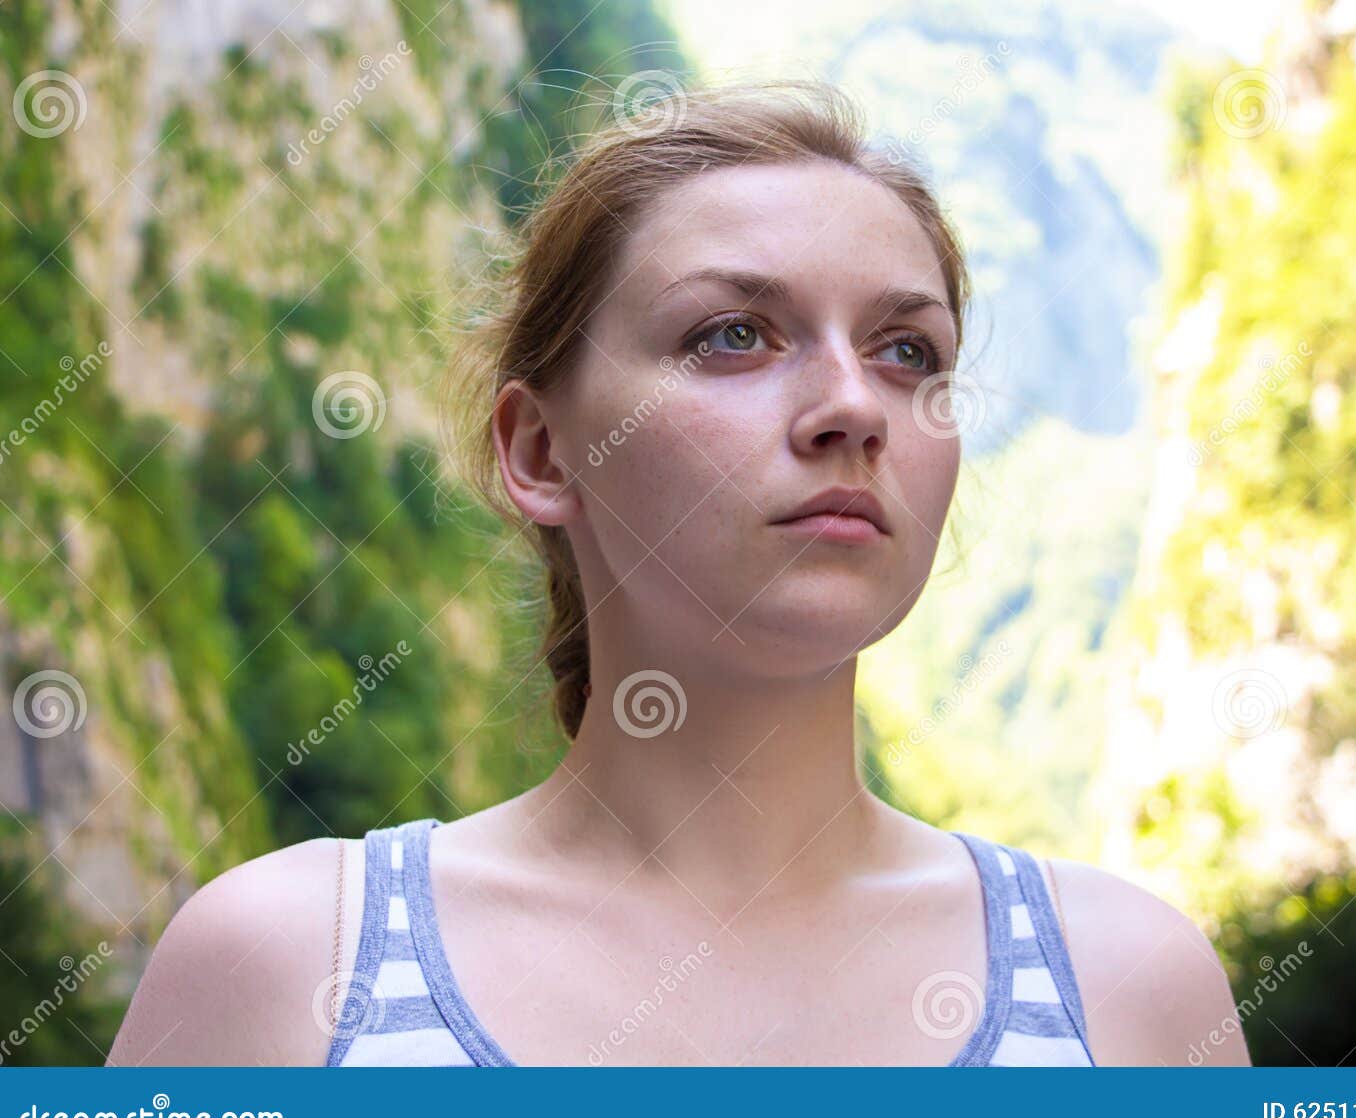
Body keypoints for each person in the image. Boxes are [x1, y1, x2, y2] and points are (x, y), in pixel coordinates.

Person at [107, 78, 1249, 1067]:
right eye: (733, 335)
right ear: (540, 451)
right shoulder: (284, 967)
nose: (854, 405)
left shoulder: (1132, 990)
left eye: (908, 351)